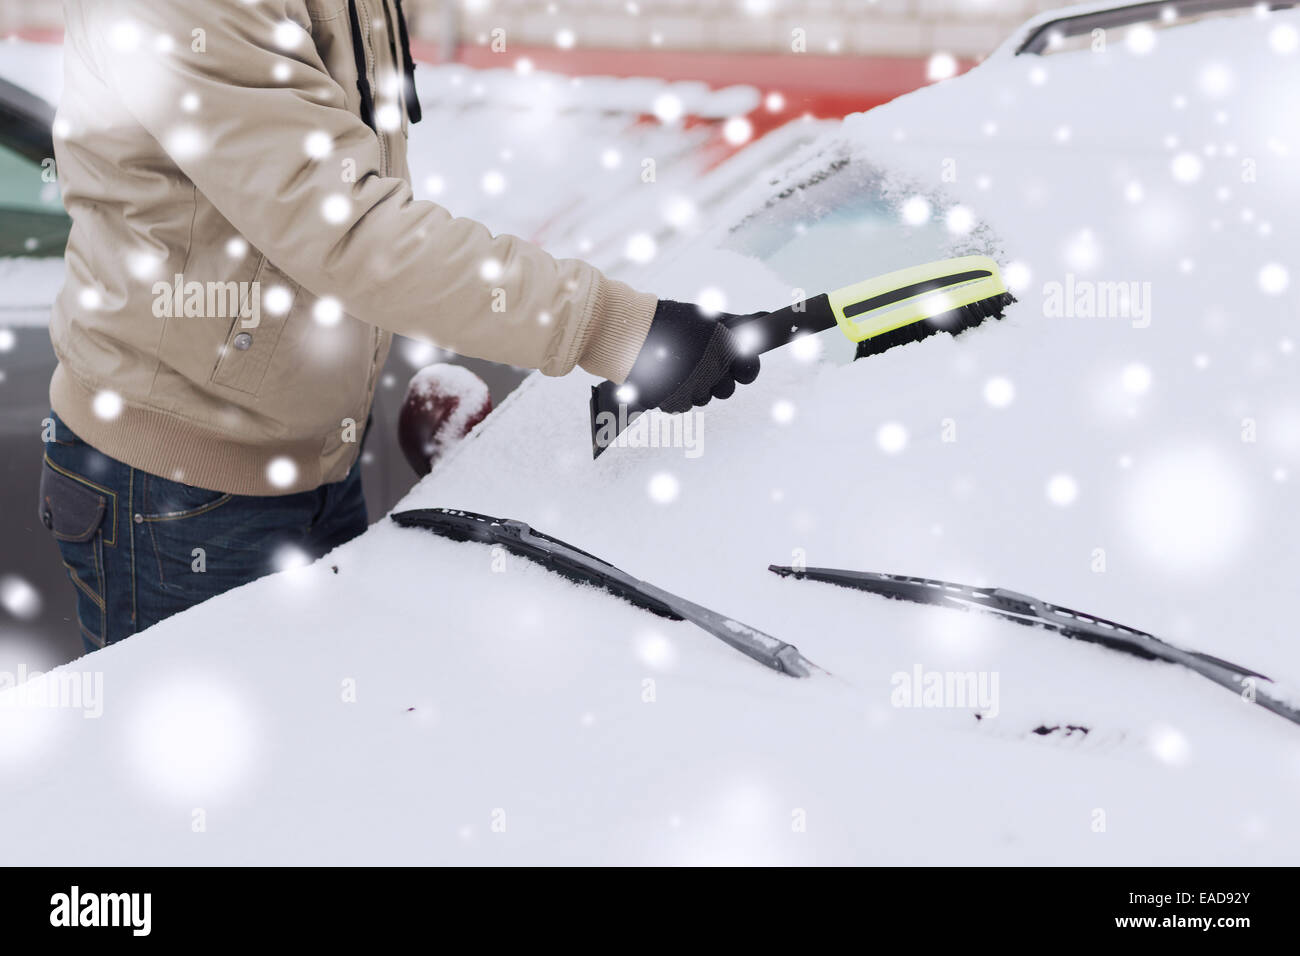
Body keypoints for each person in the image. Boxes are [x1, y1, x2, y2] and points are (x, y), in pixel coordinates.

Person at [39, 0, 759, 653]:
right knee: (208, 782)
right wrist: (610, 326)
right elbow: (344, 228)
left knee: (323, 761)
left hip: (309, 452)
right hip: (178, 488)